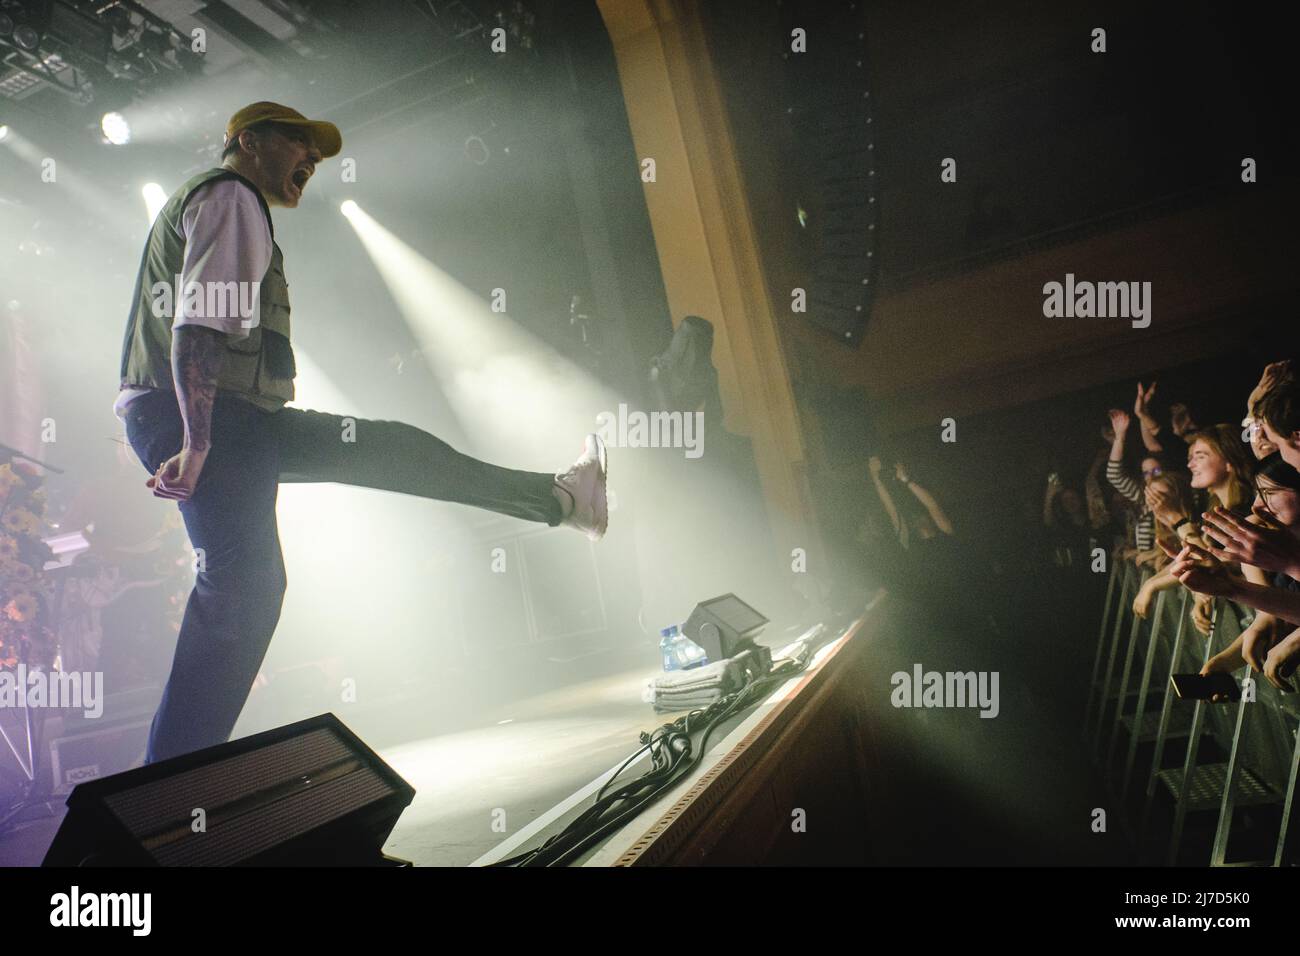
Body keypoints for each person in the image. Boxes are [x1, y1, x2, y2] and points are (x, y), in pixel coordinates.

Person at [114, 102, 608, 764]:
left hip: (235, 418)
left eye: (316, 157)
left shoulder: (232, 205)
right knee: (244, 584)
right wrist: (197, 442)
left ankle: (562, 499)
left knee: (385, 449)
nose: (310, 162)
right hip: (205, 417)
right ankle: (162, 795)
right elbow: (197, 330)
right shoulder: (230, 198)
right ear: (248, 142)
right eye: (298, 145)